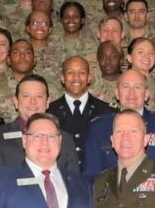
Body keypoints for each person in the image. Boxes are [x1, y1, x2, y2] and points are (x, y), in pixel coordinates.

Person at [83, 69, 155, 182]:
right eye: (126, 87)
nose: (131, 93)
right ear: (117, 93)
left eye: (137, 87)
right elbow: (92, 176)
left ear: (146, 94)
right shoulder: (99, 128)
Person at [0, 74, 79, 176]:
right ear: (16, 102)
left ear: (47, 102)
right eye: (26, 96)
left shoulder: (65, 138)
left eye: (39, 96)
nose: (33, 102)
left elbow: (74, 183)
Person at [48, 56, 113, 185]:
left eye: (82, 73)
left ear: (89, 77)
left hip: (98, 183)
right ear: (62, 78)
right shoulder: (49, 112)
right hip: (60, 182)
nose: (76, 78)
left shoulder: (107, 112)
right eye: (70, 73)